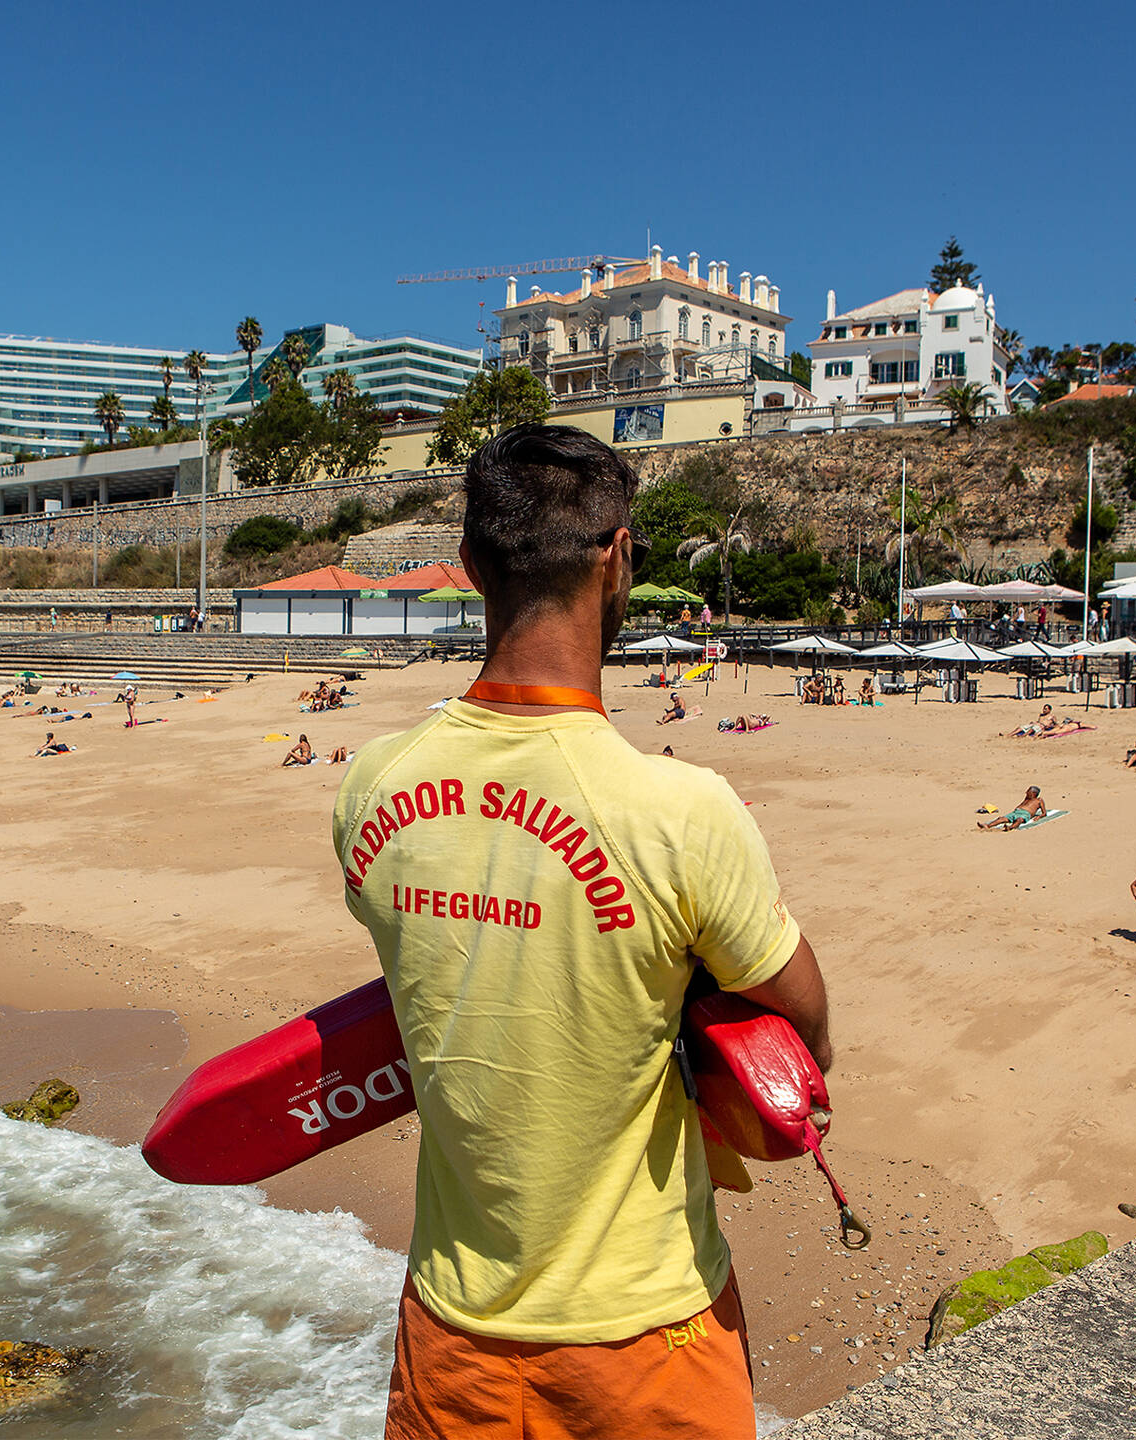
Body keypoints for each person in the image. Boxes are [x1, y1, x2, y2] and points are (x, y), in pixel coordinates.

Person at [332, 425, 830, 1439]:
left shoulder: (372, 785)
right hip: (648, 1336)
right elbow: (804, 1032)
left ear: (472, 567)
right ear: (618, 554)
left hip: (452, 1327)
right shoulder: (680, 811)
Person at [978, 785, 1047, 830]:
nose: (1026, 792)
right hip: (1016, 812)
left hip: (1025, 813)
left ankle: (1010, 827)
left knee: (1019, 820)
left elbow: (1044, 813)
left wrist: (1039, 817)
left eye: (1028, 791)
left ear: (1034, 793)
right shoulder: (1027, 798)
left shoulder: (1039, 800)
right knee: (1002, 819)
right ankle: (988, 826)